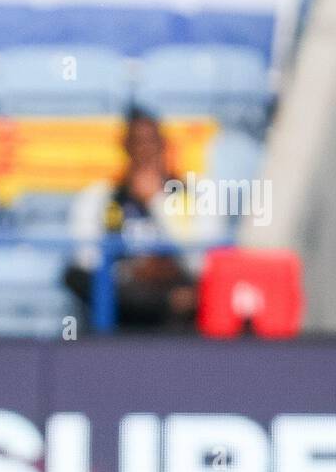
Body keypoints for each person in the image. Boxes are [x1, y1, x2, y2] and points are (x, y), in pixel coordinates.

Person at [64, 109, 219, 330]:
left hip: (174, 286)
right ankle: (165, 305)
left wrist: (156, 202)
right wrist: (132, 270)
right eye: (137, 143)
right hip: (126, 293)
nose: (145, 151)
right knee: (75, 277)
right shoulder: (100, 196)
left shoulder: (195, 194)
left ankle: (167, 304)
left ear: (164, 144)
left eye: (151, 142)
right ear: (124, 147)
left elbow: (201, 262)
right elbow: (85, 258)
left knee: (200, 289)